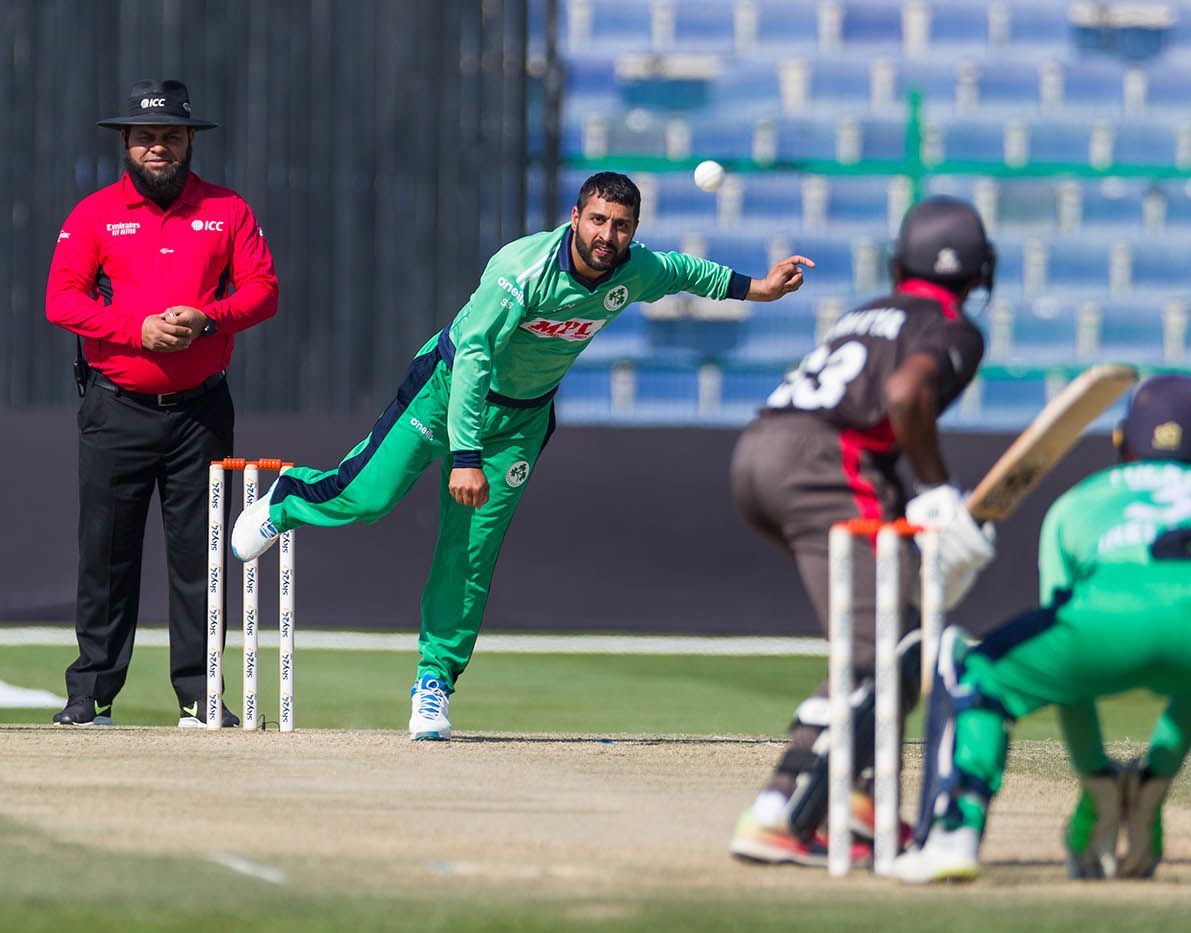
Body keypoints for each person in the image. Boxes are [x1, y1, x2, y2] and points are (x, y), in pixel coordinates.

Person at [231, 171, 811, 740]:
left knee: (470, 552)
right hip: (446, 391)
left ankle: (434, 680)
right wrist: (465, 455)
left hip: (521, 422)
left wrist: (760, 288)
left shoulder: (634, 269)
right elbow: (474, 357)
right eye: (598, 221)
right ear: (575, 218)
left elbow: (687, 272)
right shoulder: (521, 270)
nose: (608, 235)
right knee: (369, 497)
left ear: (633, 231)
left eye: (621, 226)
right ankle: (288, 498)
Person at [895, 374, 1191, 887]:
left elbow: (1069, 675)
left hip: (1103, 620)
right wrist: (1157, 778)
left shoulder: (1074, 505)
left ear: (1121, 443)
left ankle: (953, 834)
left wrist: (1097, 780)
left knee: (971, 671)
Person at [726, 197, 999, 867]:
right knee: (884, 651)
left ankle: (862, 800)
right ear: (979, 272)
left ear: (900, 263)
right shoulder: (953, 325)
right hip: (829, 464)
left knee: (897, 632)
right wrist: (939, 492)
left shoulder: (864, 312)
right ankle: (782, 809)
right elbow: (906, 395)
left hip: (758, 451)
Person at [46, 79, 279, 728]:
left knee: (202, 557)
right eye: (146, 136)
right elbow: (61, 300)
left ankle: (200, 696)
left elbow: (263, 290)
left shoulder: (227, 209)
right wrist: (137, 329)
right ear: (125, 141)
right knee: (106, 554)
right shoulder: (95, 213)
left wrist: (208, 319)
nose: (158, 147)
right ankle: (91, 694)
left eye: (171, 136)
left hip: (199, 412)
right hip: (115, 406)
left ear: (189, 142)